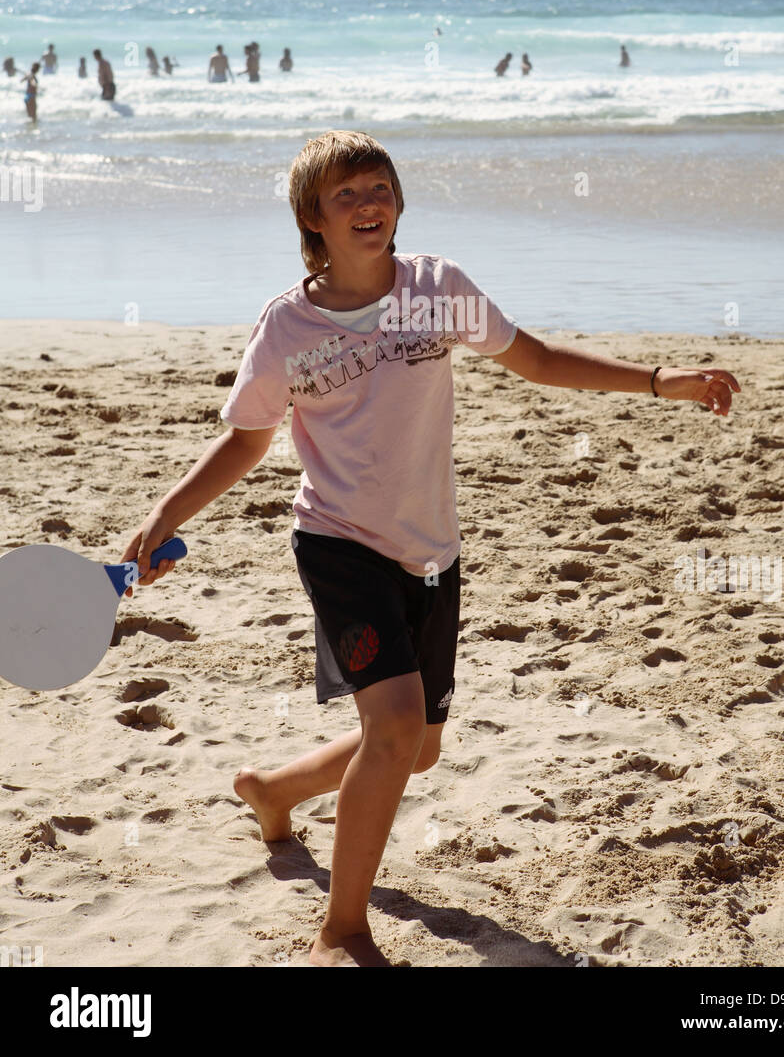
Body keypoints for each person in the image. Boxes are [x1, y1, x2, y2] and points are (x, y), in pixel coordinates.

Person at [119, 128, 741, 968]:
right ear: (313, 218)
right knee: (397, 726)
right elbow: (247, 440)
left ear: (399, 202)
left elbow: (539, 359)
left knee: (417, 746)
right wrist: (166, 513)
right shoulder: (288, 327)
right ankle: (340, 930)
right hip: (338, 544)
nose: (368, 203)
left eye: (379, 187)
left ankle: (272, 790)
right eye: (346, 194)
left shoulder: (438, 290)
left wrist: (660, 381)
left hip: (431, 552)